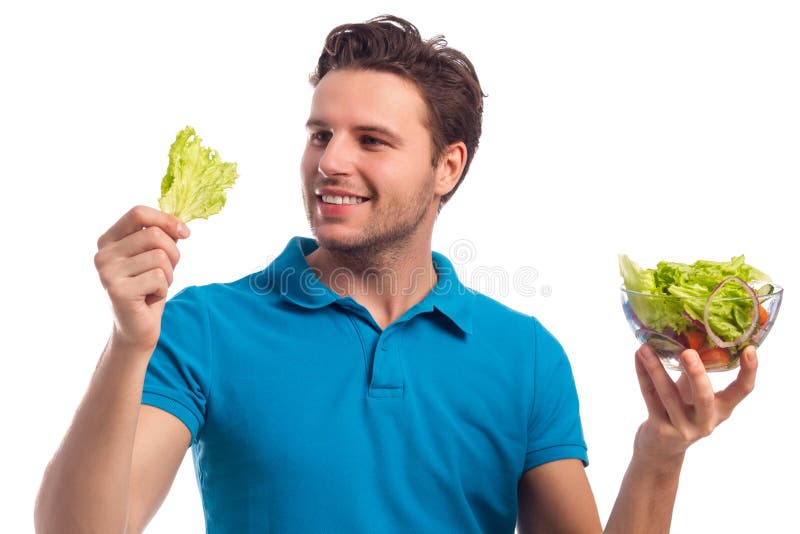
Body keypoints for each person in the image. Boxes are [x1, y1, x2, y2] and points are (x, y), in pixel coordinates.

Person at [35, 15, 758, 533]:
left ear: (448, 167)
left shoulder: (526, 357)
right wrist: (129, 343)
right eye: (320, 133)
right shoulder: (202, 326)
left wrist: (660, 455)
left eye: (370, 140)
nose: (330, 162)